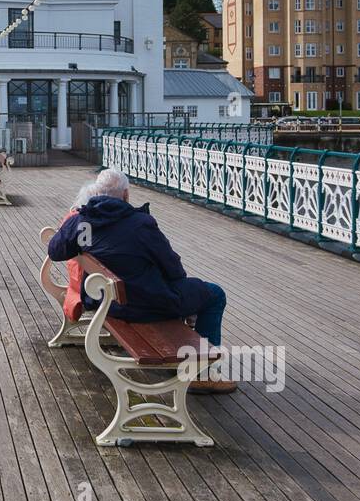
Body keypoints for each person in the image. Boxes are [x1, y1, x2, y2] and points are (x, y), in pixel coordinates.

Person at [48, 168, 235, 393]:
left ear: (96, 192)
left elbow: (55, 250)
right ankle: (201, 374)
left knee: (192, 292)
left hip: (105, 304)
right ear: (126, 195)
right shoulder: (139, 223)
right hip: (143, 306)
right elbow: (174, 270)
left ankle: (190, 360)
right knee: (214, 294)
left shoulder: (82, 221)